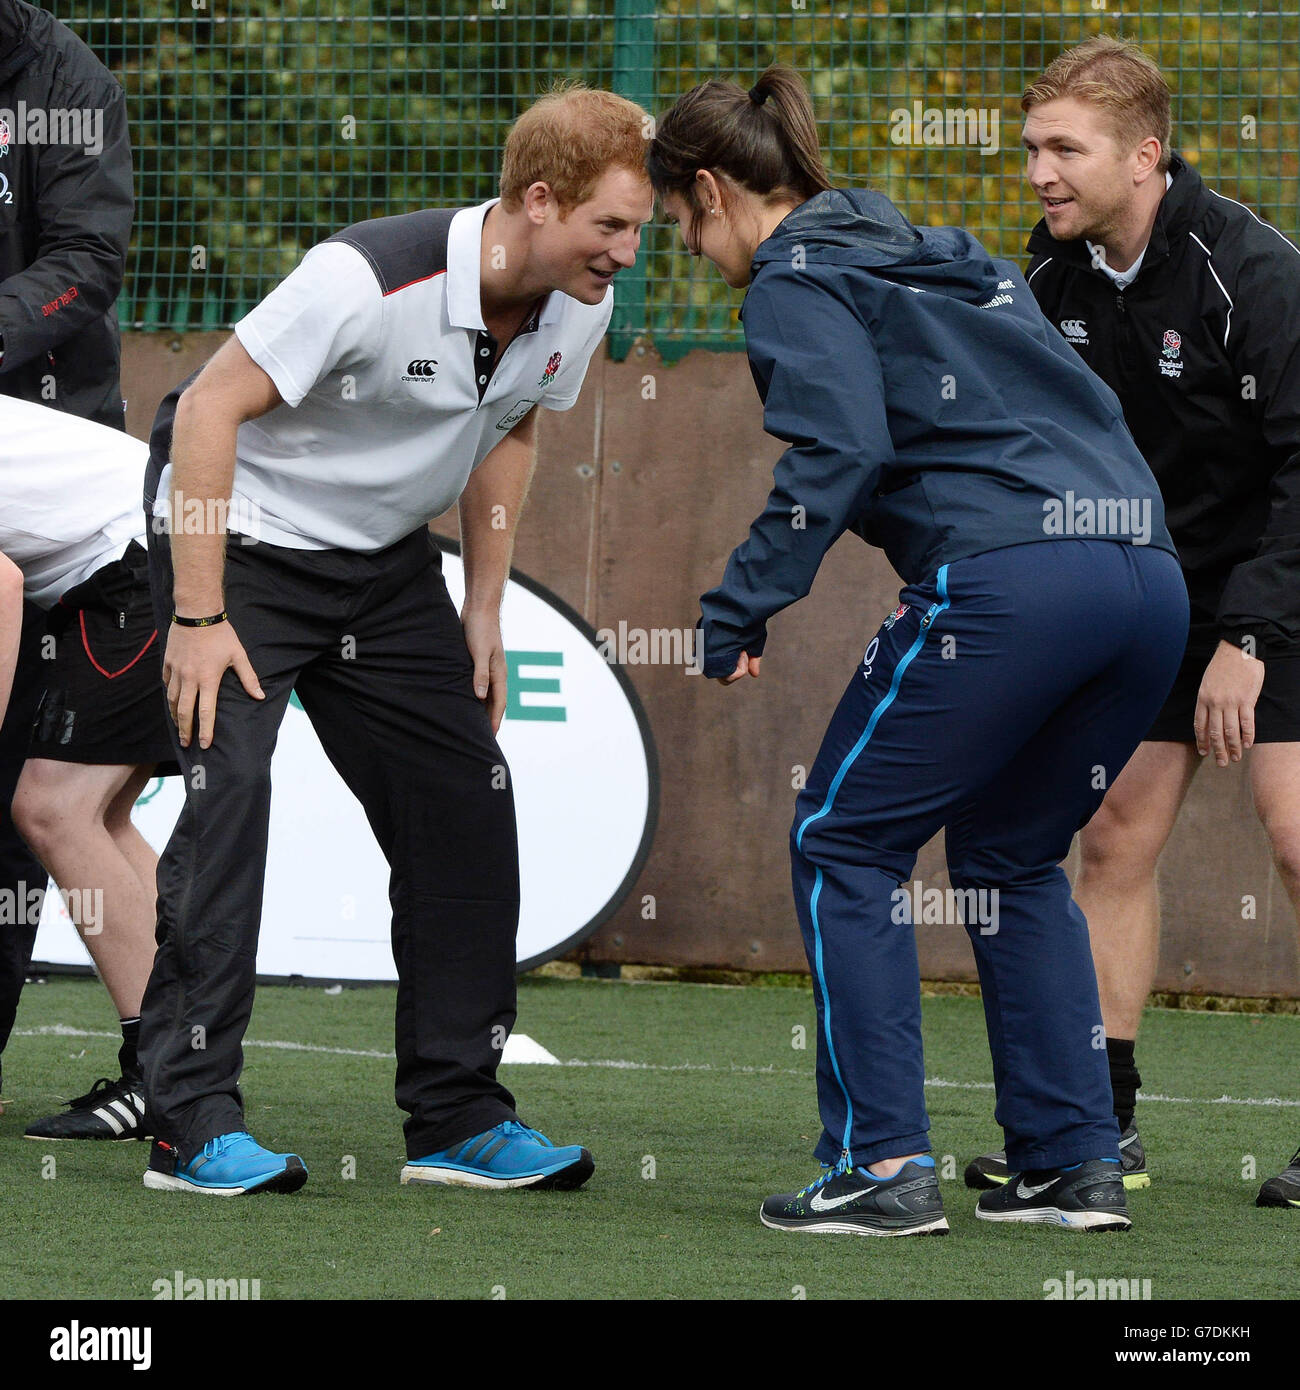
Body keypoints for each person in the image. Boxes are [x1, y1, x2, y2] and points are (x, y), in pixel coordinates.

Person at [648, 65, 1189, 1235]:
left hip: (1010, 583)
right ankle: (1069, 1159)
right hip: (1144, 579)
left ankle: (881, 1165)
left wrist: (741, 604)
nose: (687, 249)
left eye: (678, 226)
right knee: (1011, 853)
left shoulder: (796, 275)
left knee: (843, 838)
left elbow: (834, 451)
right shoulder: (946, 254)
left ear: (708, 190)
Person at [137, 85, 653, 1196]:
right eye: (611, 226)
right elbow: (206, 413)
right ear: (538, 198)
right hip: (244, 547)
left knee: (467, 794)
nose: (627, 252)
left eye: (640, 230)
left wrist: (483, 606)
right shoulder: (364, 278)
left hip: (383, 567)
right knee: (229, 793)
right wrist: (195, 613)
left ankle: (459, 1117)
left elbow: (509, 424)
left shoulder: (576, 301)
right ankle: (189, 1124)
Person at [964, 36, 1300, 1210]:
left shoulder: (1248, 272)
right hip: (1147, 588)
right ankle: (1096, 1127)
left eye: (1065, 150)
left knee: (1299, 835)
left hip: (1283, 577)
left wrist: (1247, 637)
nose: (1039, 173)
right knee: (1108, 838)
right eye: (1029, 151)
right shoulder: (1046, 283)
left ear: (1144, 155)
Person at [0, 0, 133, 1113]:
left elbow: (84, 261)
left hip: (69, 482)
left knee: (38, 797)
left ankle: (175, 1072)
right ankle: (176, 1066)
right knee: (69, 807)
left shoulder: (66, 82)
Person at [0, 397, 177, 1140]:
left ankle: (160, 1075)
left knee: (53, 808)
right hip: (147, 553)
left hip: (139, 564)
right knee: (97, 815)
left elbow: (1, 585)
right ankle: (183, 1055)